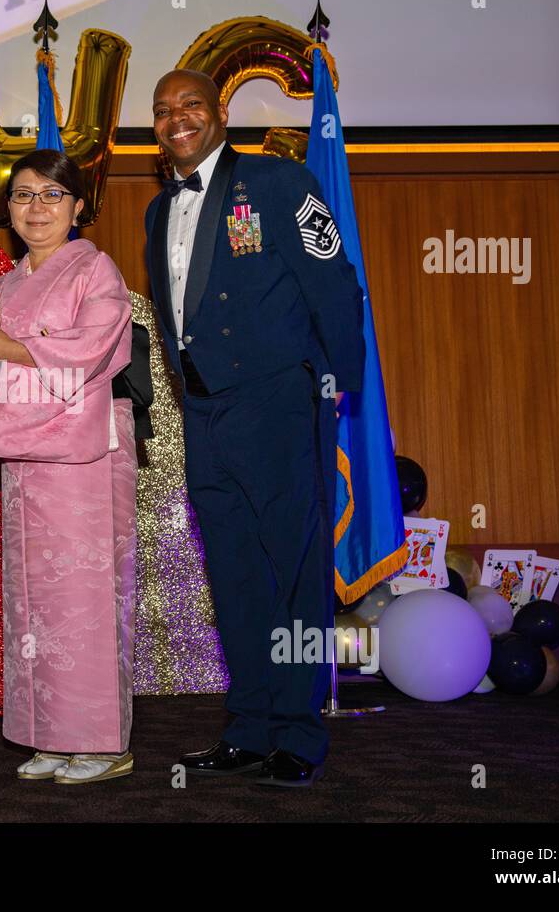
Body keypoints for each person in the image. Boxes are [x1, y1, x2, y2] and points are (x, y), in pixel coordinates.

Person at [144, 69, 365, 787]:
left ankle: (298, 734)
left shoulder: (279, 182)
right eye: (163, 110)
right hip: (204, 413)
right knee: (235, 575)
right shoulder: (156, 211)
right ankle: (248, 727)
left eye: (191, 105)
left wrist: (339, 387)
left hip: (278, 405)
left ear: (220, 112)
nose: (177, 119)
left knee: (295, 573)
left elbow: (334, 282)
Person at [0, 150, 137, 784]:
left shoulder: (95, 270)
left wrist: (8, 348)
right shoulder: (5, 286)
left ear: (77, 207)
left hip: (85, 454)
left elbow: (95, 348)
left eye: (51, 194)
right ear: (7, 209)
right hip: (26, 454)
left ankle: (102, 744)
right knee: (35, 597)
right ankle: (50, 734)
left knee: (86, 595)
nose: (36, 207)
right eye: (22, 195)